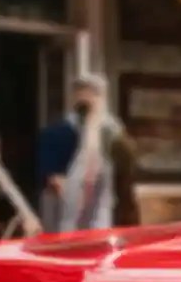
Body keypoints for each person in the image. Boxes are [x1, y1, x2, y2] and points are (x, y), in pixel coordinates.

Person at [36, 74, 124, 233]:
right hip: (66, 209)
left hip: (101, 208)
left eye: (94, 94)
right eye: (82, 94)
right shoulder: (58, 133)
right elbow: (53, 177)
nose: (89, 99)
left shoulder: (112, 133)